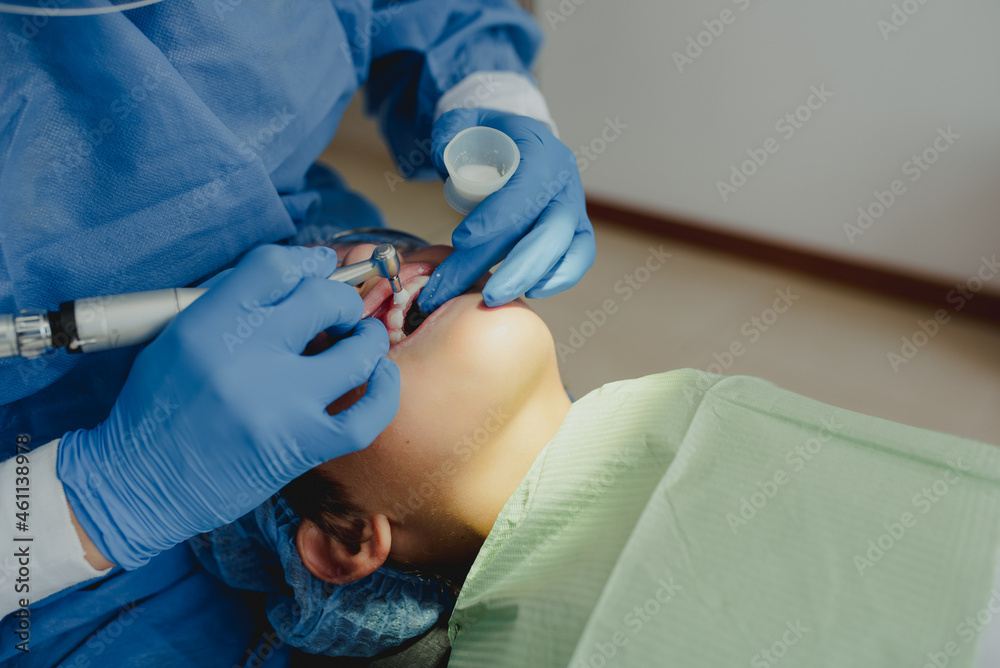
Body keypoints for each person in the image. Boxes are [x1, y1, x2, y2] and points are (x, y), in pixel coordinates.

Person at [0, 0, 594, 664]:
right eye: (469, 284)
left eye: (419, 320)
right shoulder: (293, 221)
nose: (458, 291)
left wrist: (101, 504)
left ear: (342, 541)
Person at [232, 241, 1000, 666]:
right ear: (344, 539)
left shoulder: (688, 405)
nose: (367, 263)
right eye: (320, 342)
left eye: (359, 252)